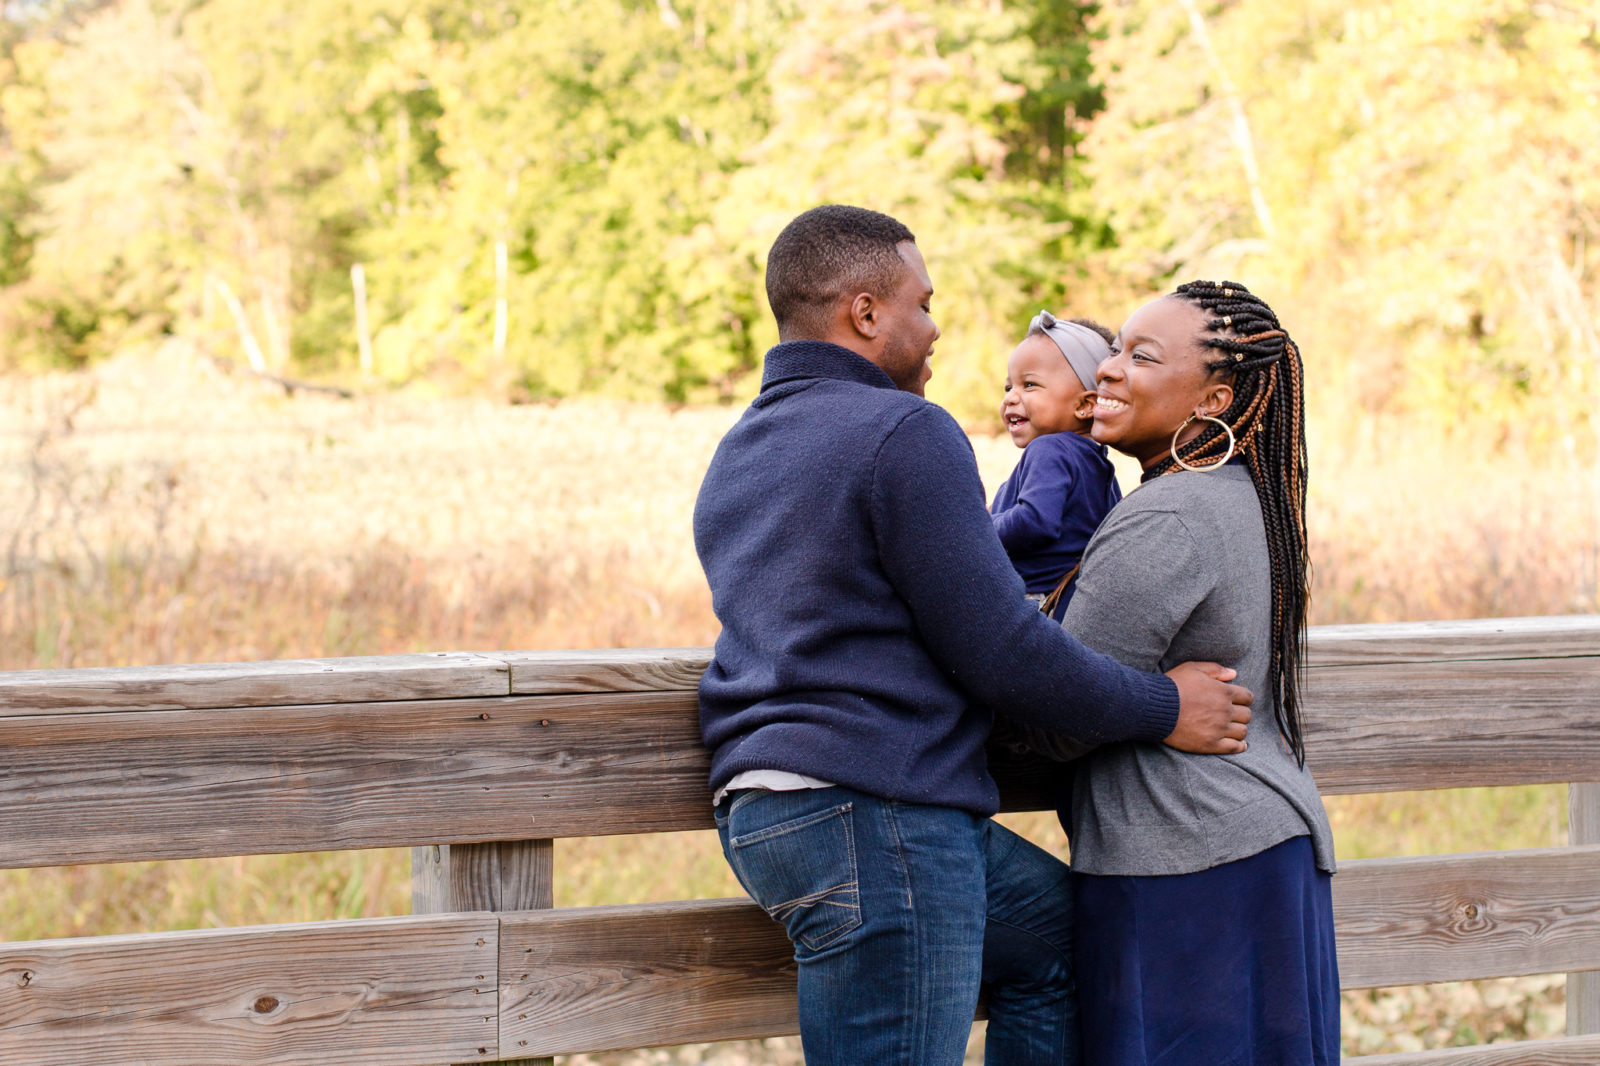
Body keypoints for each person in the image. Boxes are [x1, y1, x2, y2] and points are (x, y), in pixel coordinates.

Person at [692, 205, 1255, 1066]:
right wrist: (1161, 704)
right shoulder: (905, 431)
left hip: (767, 816)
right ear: (866, 312)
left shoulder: (744, 446)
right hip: (877, 814)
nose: (936, 324)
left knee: (1060, 940)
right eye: (922, 302)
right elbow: (1002, 651)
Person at [1023, 280, 1338, 1064]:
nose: (1109, 370)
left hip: (1182, 870)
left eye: (1142, 356)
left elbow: (1058, 720)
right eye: (1117, 349)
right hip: (1255, 851)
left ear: (1213, 400)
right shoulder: (1240, 497)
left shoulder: (1166, 516)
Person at [992, 312, 1122, 620]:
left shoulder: (1049, 449)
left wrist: (977, 525)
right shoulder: (1099, 463)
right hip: (1069, 607)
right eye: (1008, 387)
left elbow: (1036, 521)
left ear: (1085, 405)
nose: (1011, 398)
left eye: (1030, 385)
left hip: (1033, 604)